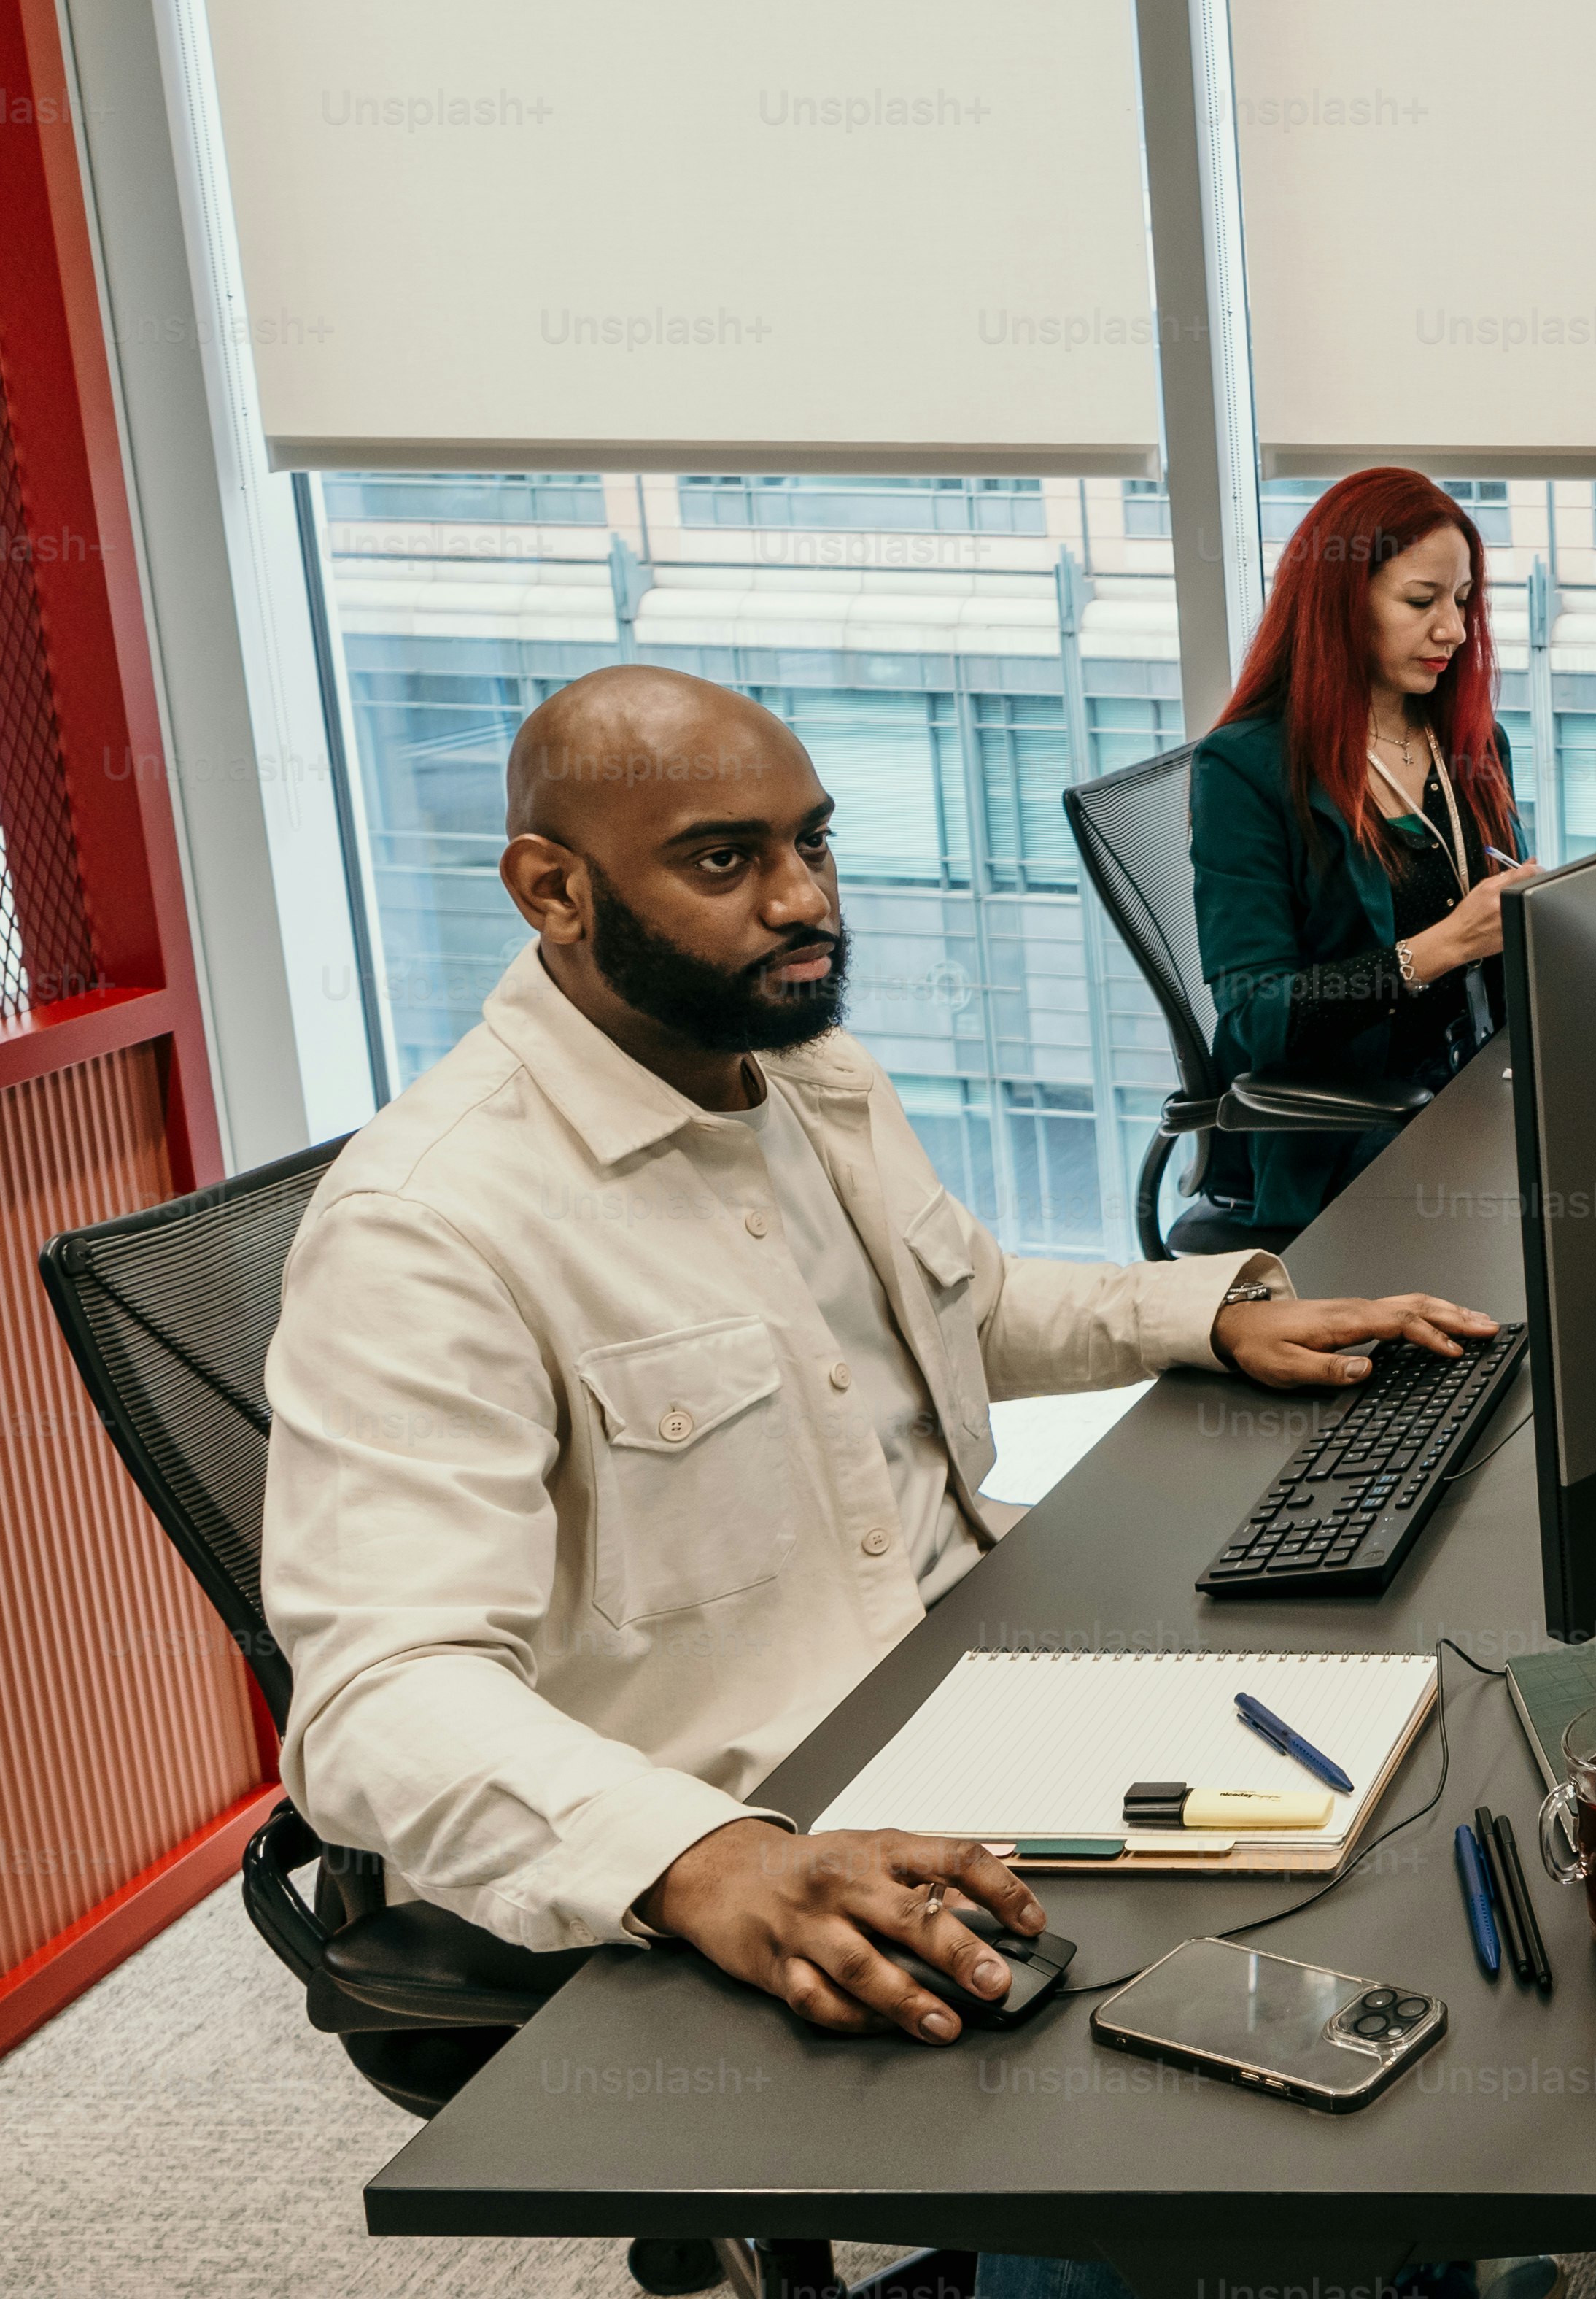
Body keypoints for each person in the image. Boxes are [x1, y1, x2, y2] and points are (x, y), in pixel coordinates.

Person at [265, 667, 1498, 2031]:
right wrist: (699, 1858)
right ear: (553, 891)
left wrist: (1203, 1312)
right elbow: (376, 1700)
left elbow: (957, 1308)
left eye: (814, 842)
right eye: (724, 860)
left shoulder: (802, 1071)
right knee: (1146, 2036)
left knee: (1410, 1764)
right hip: (770, 1807)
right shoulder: (427, 1228)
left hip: (976, 1669)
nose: (804, 901)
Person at [1184, 468, 1536, 1250]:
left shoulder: (1472, 746)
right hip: (1355, 1126)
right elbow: (1258, 1015)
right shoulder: (1245, 769)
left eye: (1464, 601)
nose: (1453, 629)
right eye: (1422, 601)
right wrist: (1444, 945)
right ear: (1343, 600)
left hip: (1473, 1086)